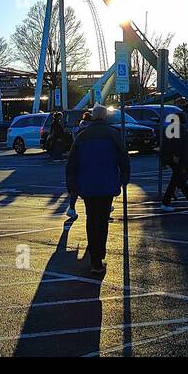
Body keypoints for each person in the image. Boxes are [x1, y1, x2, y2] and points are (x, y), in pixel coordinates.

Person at [65, 104, 129, 275]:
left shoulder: (82, 136)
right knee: (102, 221)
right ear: (106, 117)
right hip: (107, 184)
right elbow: (123, 158)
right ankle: (98, 257)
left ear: (93, 117)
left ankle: (94, 258)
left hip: (87, 185)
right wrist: (124, 179)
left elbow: (72, 162)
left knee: (91, 219)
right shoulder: (113, 134)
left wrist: (72, 185)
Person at [160, 108, 188, 210]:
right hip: (178, 159)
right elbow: (180, 145)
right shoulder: (180, 130)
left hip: (172, 158)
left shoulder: (170, 129)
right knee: (175, 180)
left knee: (179, 179)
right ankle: (166, 203)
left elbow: (166, 145)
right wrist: (180, 157)